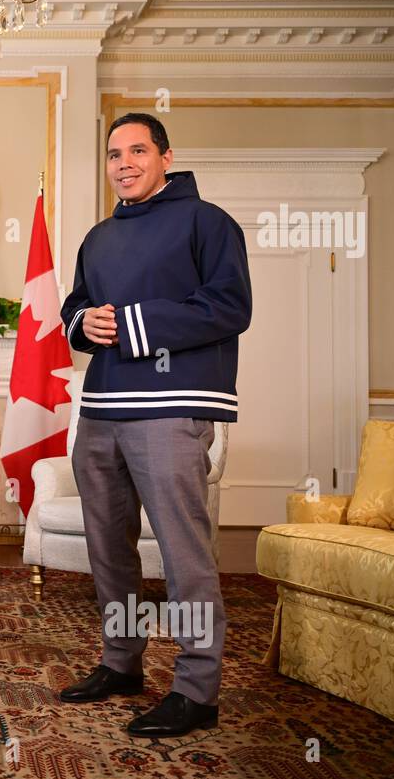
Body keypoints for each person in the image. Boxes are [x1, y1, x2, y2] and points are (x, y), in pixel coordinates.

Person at [59, 112, 252, 738]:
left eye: (137, 150)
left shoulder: (209, 222)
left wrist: (137, 326)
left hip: (173, 406)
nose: (124, 163)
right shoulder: (98, 236)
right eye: (114, 154)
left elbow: (230, 306)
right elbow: (76, 303)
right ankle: (122, 661)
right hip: (102, 409)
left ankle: (197, 689)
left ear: (166, 156)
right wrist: (82, 323)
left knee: (183, 555)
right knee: (109, 550)